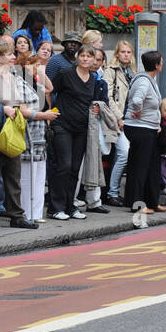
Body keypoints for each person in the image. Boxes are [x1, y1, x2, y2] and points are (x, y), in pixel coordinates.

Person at [49, 39, 104, 220]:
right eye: (82, 55)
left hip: (82, 128)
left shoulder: (94, 79)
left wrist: (96, 108)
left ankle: (69, 206)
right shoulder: (66, 73)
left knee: (74, 169)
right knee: (63, 165)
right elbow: (49, 90)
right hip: (62, 125)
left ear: (94, 60)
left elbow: (94, 102)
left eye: (89, 56)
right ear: (77, 57)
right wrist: (51, 111)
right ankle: (55, 207)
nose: (86, 59)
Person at [0, 39, 35, 229]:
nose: (14, 57)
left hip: (12, 130)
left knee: (13, 175)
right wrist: (4, 109)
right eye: (9, 54)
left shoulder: (12, 77)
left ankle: (16, 214)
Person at [16, 44, 55, 224]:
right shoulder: (20, 83)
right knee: (27, 176)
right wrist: (43, 115)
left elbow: (50, 88)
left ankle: (37, 213)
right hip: (28, 133)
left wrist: (41, 71)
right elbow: (23, 111)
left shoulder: (36, 83)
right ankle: (27, 212)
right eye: (33, 64)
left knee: (39, 174)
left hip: (40, 134)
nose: (36, 68)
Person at [77, 44, 117, 215]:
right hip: (78, 124)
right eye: (86, 56)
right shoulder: (76, 76)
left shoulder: (100, 82)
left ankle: (94, 200)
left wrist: (99, 107)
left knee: (95, 162)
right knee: (77, 165)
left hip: (95, 126)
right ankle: (73, 199)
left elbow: (105, 103)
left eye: (98, 59)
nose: (93, 62)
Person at [122, 50, 163, 213]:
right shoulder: (144, 82)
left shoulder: (150, 80)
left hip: (149, 128)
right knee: (139, 167)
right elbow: (137, 100)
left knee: (152, 166)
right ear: (156, 65)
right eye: (161, 61)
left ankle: (152, 202)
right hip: (140, 128)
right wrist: (137, 111)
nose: (163, 64)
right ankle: (136, 204)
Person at [103, 41, 135, 206]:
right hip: (118, 120)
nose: (126, 55)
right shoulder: (111, 71)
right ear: (116, 54)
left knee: (123, 155)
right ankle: (112, 192)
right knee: (124, 153)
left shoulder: (133, 72)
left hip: (132, 120)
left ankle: (115, 192)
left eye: (129, 52)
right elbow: (107, 98)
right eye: (123, 52)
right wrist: (118, 117)